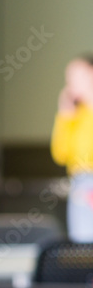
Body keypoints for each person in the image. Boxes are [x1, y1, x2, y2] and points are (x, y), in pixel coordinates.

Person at [52, 55, 93, 242]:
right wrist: (65, 116)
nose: (70, 84)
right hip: (79, 183)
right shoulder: (74, 114)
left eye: (76, 76)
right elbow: (61, 155)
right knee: (82, 244)